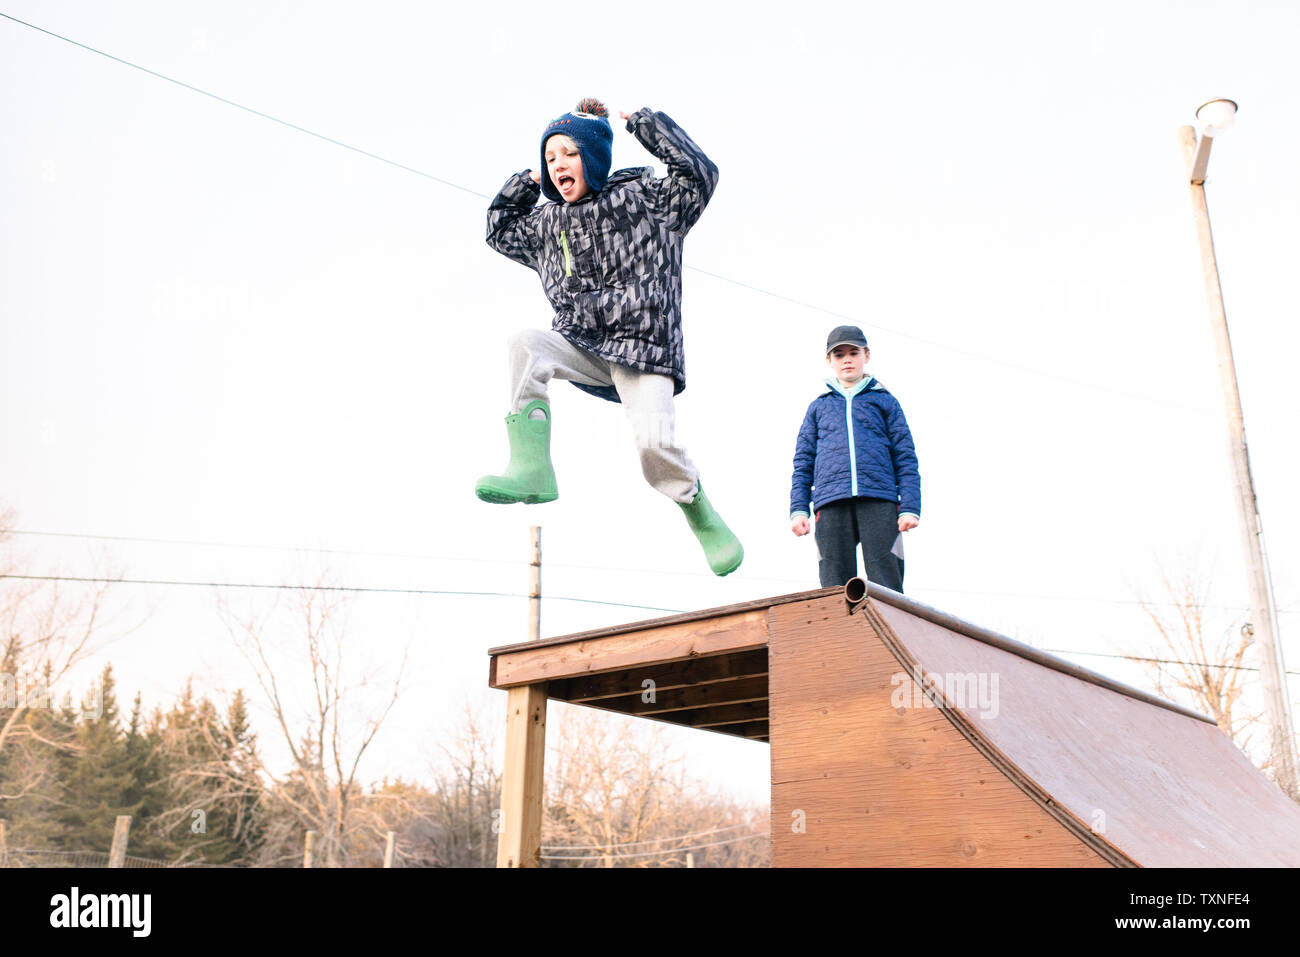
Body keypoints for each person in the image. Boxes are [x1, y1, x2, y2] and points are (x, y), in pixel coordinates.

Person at [477, 98, 743, 577]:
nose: (557, 164)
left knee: (653, 448)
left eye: (568, 154)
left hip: (643, 350)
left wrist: (646, 124)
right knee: (525, 343)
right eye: (550, 157)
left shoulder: (648, 200)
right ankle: (532, 466)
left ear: (593, 158)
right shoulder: (546, 223)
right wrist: (527, 183)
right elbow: (498, 230)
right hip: (583, 344)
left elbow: (700, 174)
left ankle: (698, 509)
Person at [789, 325, 920, 591]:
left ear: (866, 356)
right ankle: (840, 631)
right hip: (831, 501)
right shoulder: (819, 407)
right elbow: (803, 462)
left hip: (879, 498)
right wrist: (799, 509)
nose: (847, 359)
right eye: (839, 355)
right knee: (834, 584)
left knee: (886, 581)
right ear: (830, 361)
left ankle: (887, 629)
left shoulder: (885, 402)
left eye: (853, 352)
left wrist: (910, 506)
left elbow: (905, 456)